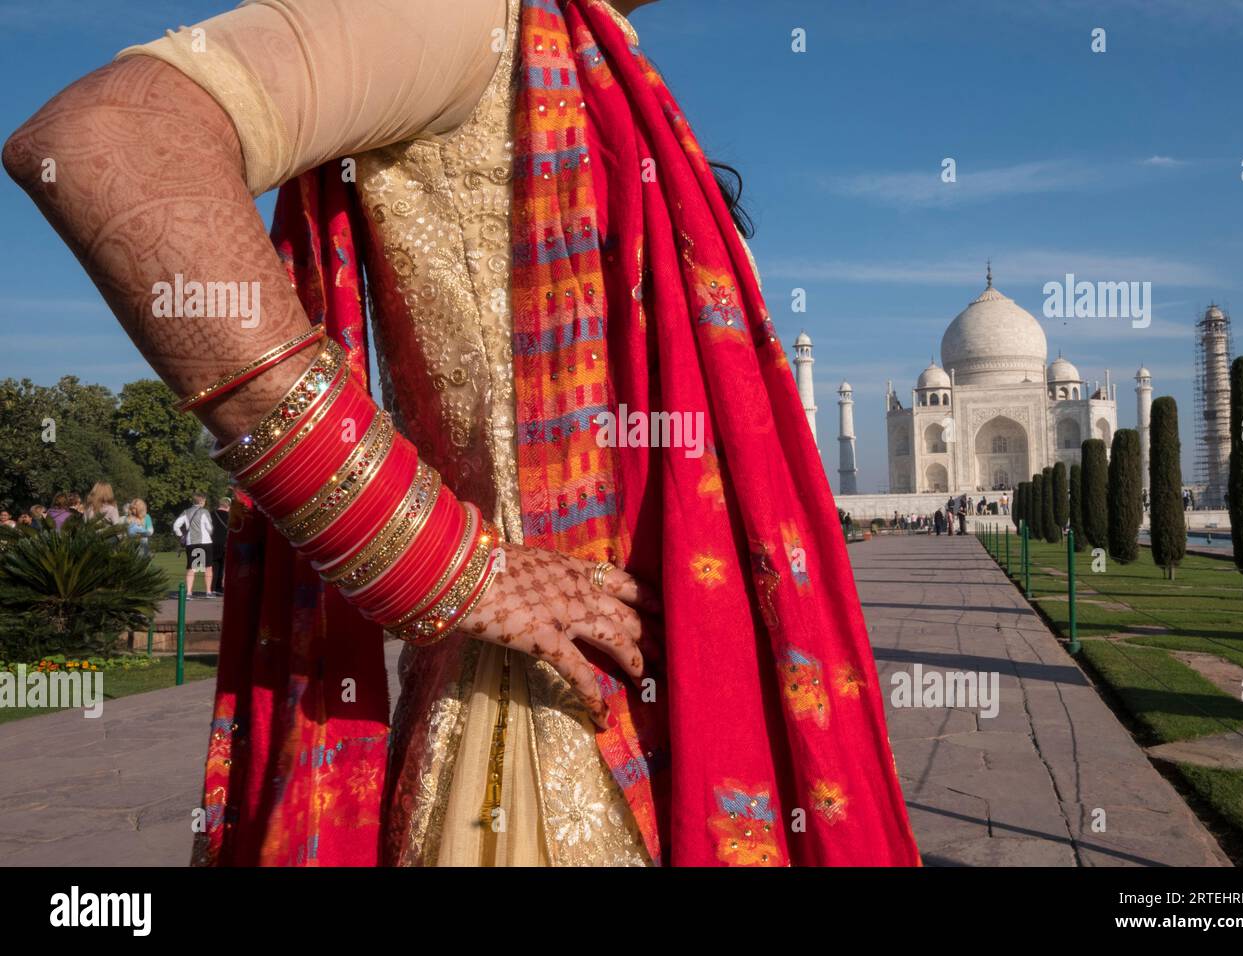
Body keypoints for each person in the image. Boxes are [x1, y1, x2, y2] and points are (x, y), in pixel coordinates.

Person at [5, 0, 916, 868]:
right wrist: (436, 559)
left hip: (670, 720)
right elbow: (108, 140)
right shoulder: (472, 19)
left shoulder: (603, 69)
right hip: (549, 750)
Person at [173, 492, 215, 598]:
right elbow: (209, 528)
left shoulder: (186, 512)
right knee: (208, 567)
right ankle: (208, 592)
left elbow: (176, 526)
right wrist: (208, 534)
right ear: (201, 501)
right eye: (204, 500)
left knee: (192, 568)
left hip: (191, 543)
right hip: (205, 542)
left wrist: (181, 536)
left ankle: (188, 593)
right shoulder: (205, 512)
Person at [210, 496, 231, 594]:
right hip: (225, 543)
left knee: (213, 566)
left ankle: (212, 587)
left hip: (212, 543)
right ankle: (220, 587)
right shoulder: (230, 516)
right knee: (223, 567)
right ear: (228, 506)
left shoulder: (210, 514)